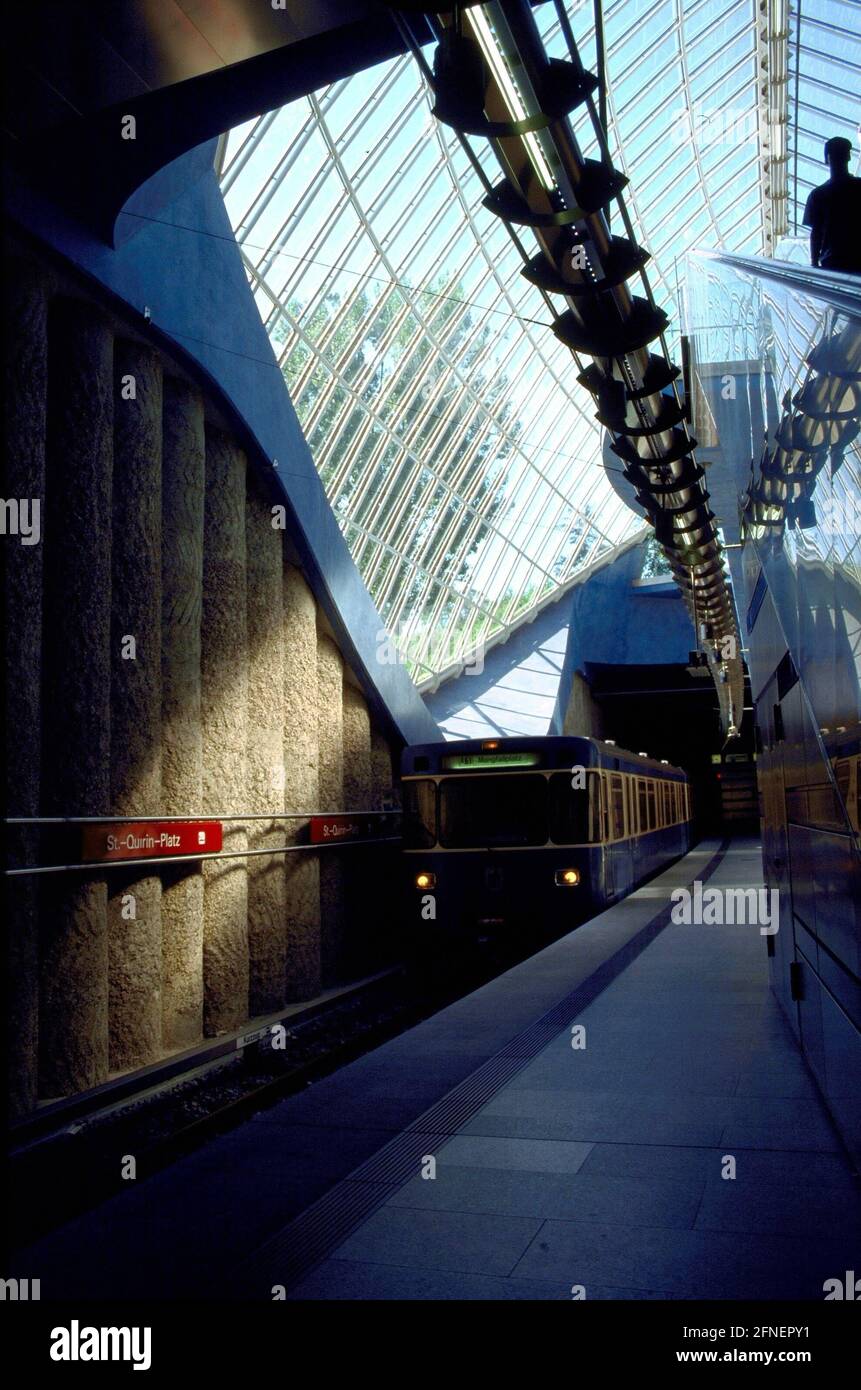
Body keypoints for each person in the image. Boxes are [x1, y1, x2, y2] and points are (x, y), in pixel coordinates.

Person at [802, 136, 861, 274]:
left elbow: (816, 232)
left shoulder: (817, 195)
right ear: (848, 157)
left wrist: (814, 263)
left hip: (833, 262)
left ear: (827, 159)